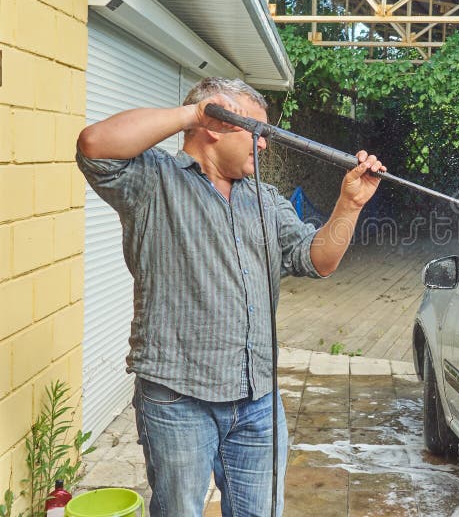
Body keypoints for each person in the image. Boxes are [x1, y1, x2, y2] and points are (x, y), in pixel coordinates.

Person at [76, 77, 384, 517]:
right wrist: (192, 114)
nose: (264, 146)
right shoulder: (152, 181)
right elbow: (94, 143)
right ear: (216, 125)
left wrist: (349, 205)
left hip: (257, 398)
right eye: (255, 133)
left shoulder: (265, 199)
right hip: (178, 398)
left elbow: (318, 260)